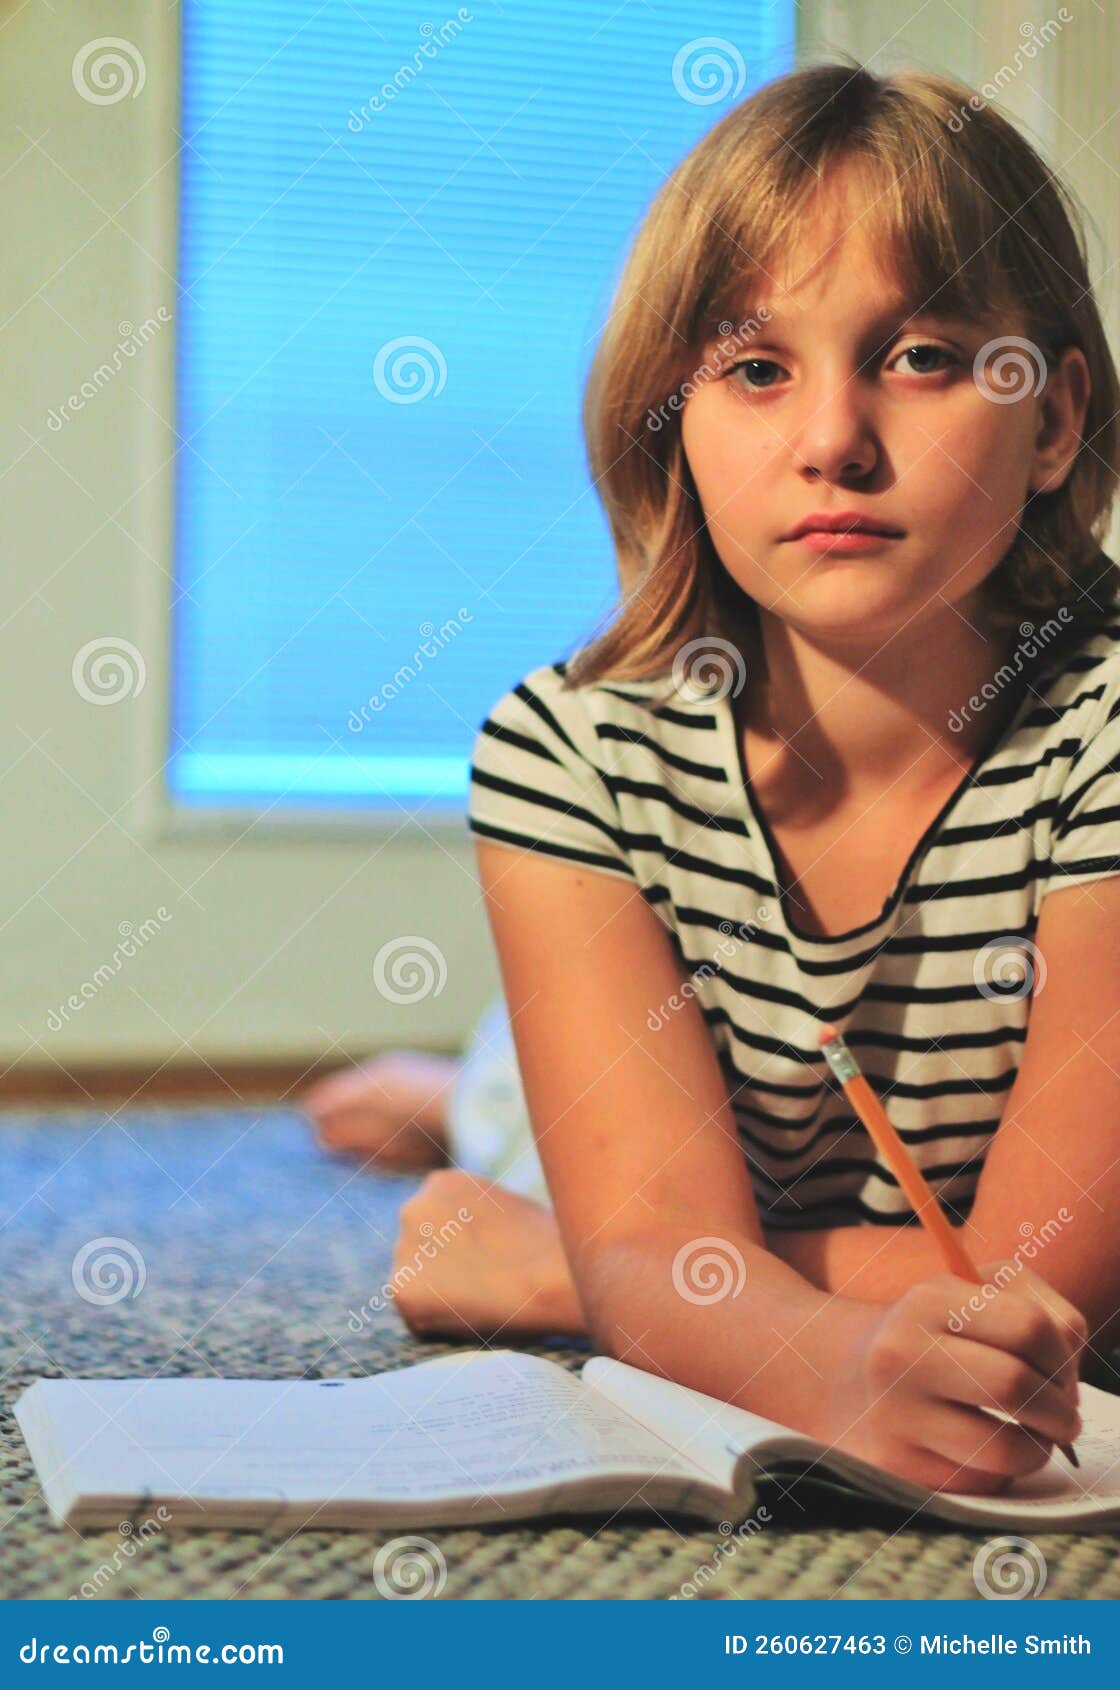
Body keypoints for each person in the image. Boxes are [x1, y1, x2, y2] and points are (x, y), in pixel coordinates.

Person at [306, 59, 1120, 1496]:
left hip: (735, 1161)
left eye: (921, 355)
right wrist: (802, 1345)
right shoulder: (572, 750)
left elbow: (1033, 1284)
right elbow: (670, 1242)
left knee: (545, 1187)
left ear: (1052, 419)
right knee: (513, 1103)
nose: (830, 444)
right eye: (755, 369)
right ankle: (464, 1084)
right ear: (672, 418)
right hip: (683, 1048)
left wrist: (588, 1265)